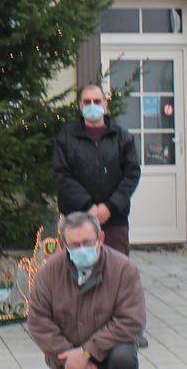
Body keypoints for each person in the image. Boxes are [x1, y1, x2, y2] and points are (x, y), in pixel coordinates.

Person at [28, 211, 146, 369]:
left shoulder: (124, 269)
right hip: (66, 354)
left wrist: (86, 353)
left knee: (123, 358)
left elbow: (131, 320)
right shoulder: (48, 272)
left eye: (88, 242)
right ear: (62, 245)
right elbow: (39, 322)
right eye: (75, 245)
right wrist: (70, 357)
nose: (82, 249)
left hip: (110, 350)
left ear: (101, 239)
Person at [53, 84, 141, 256]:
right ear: (80, 105)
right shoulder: (65, 137)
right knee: (74, 272)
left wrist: (109, 207)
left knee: (116, 272)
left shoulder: (122, 137)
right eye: (87, 102)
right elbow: (61, 174)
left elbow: (132, 174)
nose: (92, 105)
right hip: (76, 219)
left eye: (97, 101)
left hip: (114, 219)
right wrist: (88, 206)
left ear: (105, 104)